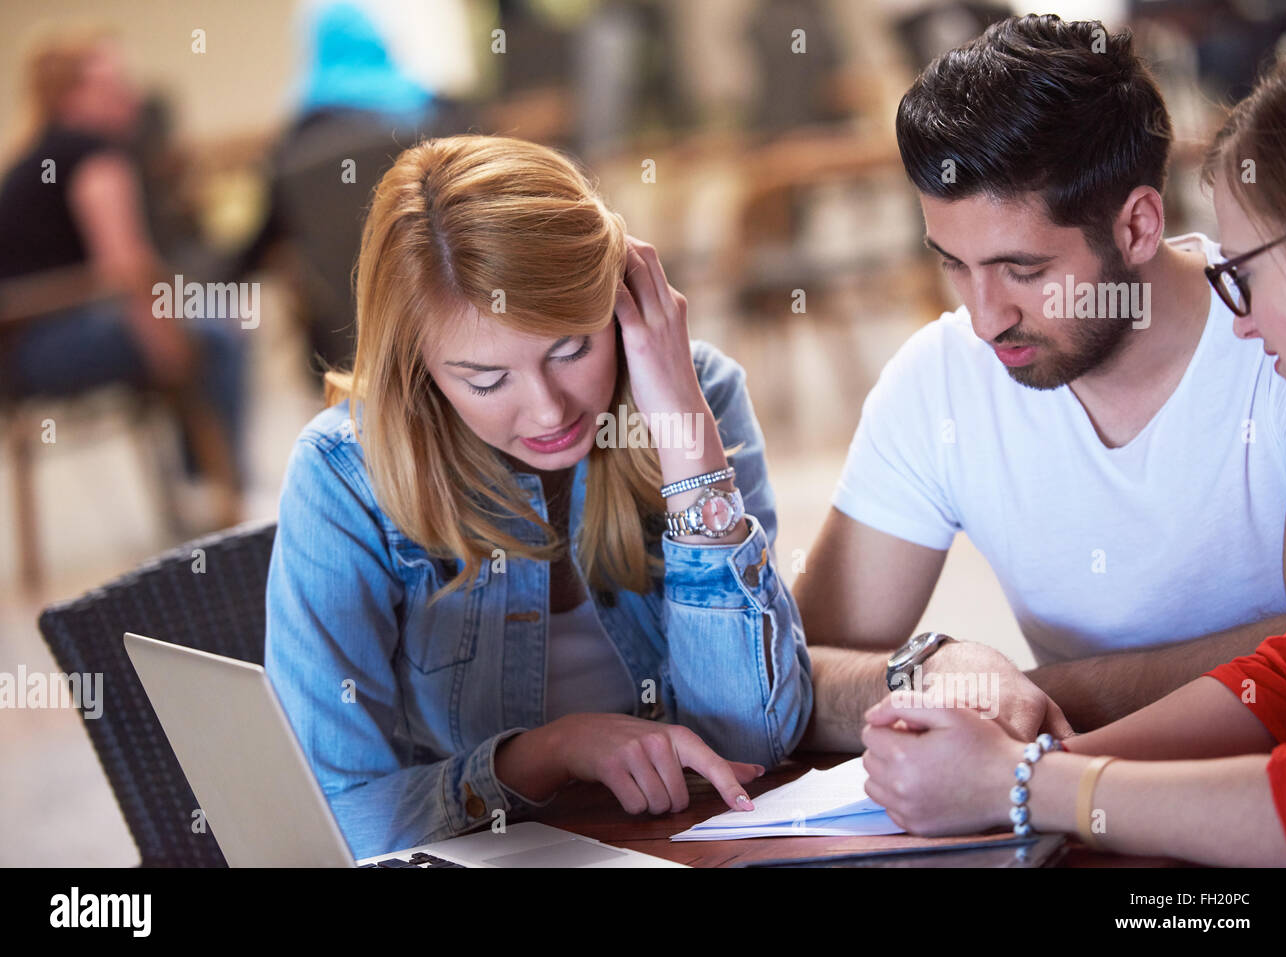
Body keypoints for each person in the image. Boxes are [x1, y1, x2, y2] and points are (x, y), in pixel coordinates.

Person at [263, 134, 813, 860]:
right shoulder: (344, 475)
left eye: (573, 349)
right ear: (418, 368)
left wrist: (683, 433)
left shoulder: (695, 393)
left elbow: (757, 740)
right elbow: (329, 822)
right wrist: (547, 754)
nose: (550, 412)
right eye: (486, 381)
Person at [796, 14, 1286, 751]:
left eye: (1023, 270)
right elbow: (793, 676)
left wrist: (1060, 689)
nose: (985, 318)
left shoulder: (1280, 342)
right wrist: (938, 669)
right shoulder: (940, 383)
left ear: (1136, 227)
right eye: (953, 263)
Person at [0, 26, 247, 522]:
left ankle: (204, 487)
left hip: (23, 348)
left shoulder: (39, 155)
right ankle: (219, 493)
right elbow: (125, 264)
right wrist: (167, 339)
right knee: (215, 330)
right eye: (112, 88)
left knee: (195, 323)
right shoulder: (94, 154)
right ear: (70, 98)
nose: (129, 98)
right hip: (43, 342)